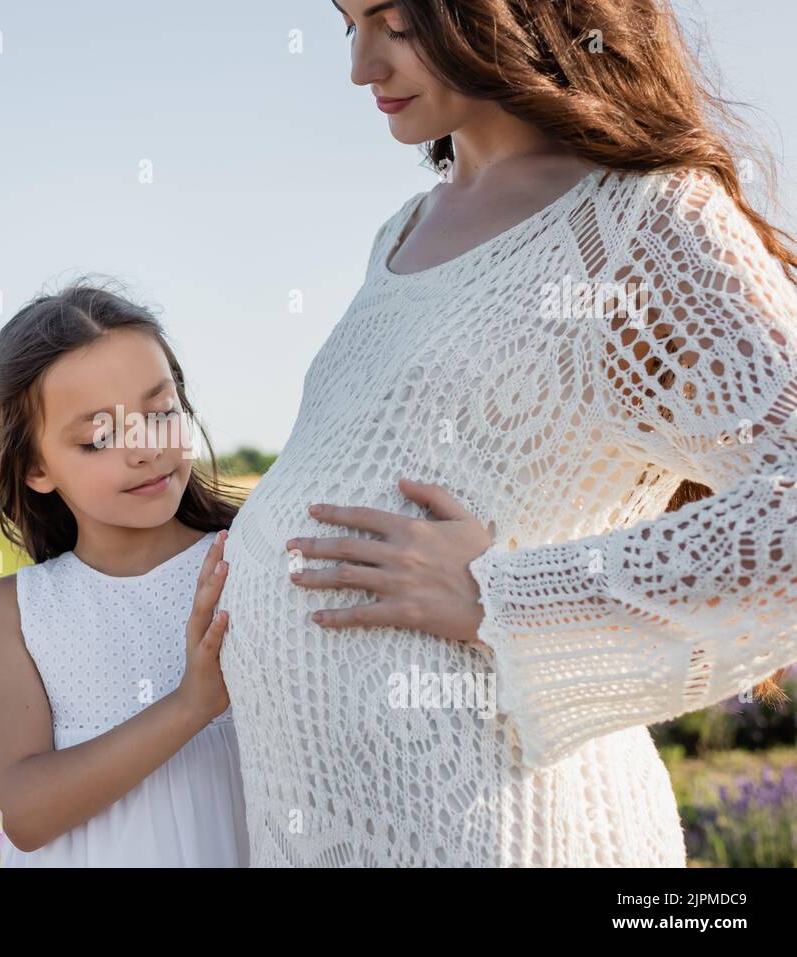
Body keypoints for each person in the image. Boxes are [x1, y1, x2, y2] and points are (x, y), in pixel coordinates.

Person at [217, 0, 797, 866]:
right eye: (348, 26)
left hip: (503, 826)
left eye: (394, 21)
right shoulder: (400, 232)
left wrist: (502, 597)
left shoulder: (641, 222)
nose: (361, 67)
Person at [0, 279, 250, 865]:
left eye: (161, 412)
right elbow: (24, 812)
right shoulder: (14, 612)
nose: (146, 448)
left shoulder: (245, 561)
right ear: (36, 468)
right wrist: (190, 705)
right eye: (100, 437)